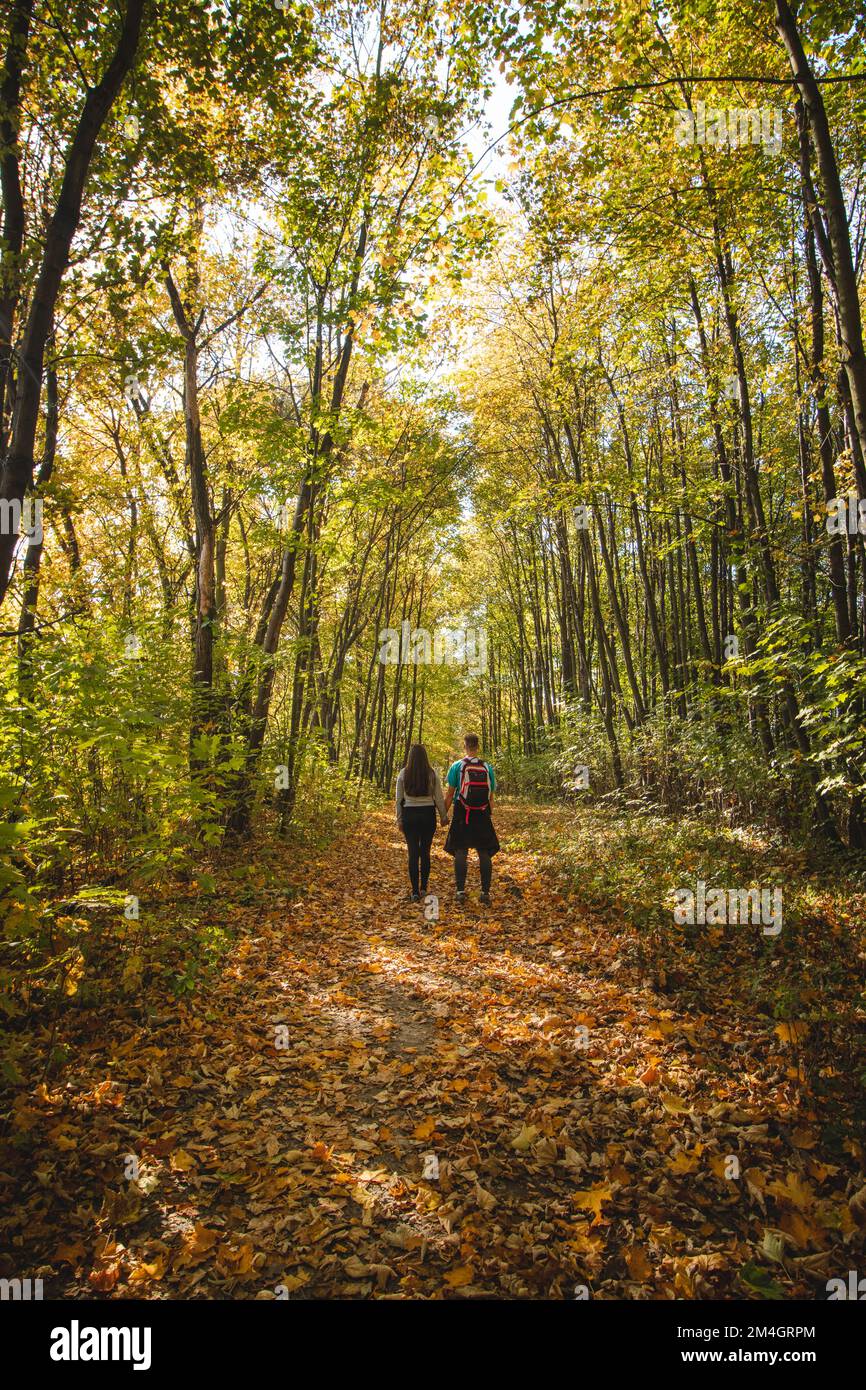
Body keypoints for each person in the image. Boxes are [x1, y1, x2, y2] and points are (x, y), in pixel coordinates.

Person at [443, 733, 499, 905]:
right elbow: (491, 796)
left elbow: (450, 794)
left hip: (462, 812)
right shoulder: (487, 767)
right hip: (481, 813)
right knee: (484, 851)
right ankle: (485, 893)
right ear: (478, 746)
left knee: (460, 850)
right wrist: (487, 813)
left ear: (465, 746)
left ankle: (460, 892)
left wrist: (443, 814)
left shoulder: (456, 766)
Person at [395, 743, 448, 903]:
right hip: (427, 815)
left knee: (413, 853)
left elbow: (398, 800)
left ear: (410, 757)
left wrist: (399, 819)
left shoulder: (403, 773)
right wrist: (443, 816)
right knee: (425, 852)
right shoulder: (432, 774)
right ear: (425, 757)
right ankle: (424, 887)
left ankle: (415, 891)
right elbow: (438, 797)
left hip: (409, 815)